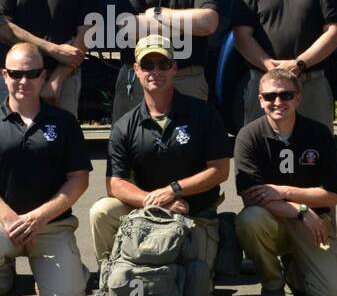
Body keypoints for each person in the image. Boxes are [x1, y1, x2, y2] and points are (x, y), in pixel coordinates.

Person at [0, 43, 91, 296]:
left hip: (51, 225)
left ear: (44, 76)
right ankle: (2, 285)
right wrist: (10, 220)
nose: (24, 81)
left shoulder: (64, 122)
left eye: (32, 74)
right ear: (4, 75)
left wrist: (38, 218)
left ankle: (65, 273)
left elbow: (78, 179)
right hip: (1, 222)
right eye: (16, 74)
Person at [89, 35, 231, 275]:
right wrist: (154, 202)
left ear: (174, 68)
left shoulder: (203, 113)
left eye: (163, 64)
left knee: (194, 280)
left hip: (194, 213)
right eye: (147, 65)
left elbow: (220, 170)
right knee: (101, 211)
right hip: (144, 211)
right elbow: (115, 183)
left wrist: (173, 190)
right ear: (136, 70)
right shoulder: (125, 125)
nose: (156, 71)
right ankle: (109, 277)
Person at [234, 68, 337, 296]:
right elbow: (251, 198)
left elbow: (331, 195)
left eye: (286, 95)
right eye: (270, 96)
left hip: (315, 225)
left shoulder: (319, 134)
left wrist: (283, 191)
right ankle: (272, 282)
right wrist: (300, 210)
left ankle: (296, 271)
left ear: (299, 98)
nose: (278, 102)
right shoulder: (249, 136)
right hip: (278, 219)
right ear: (260, 100)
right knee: (250, 219)